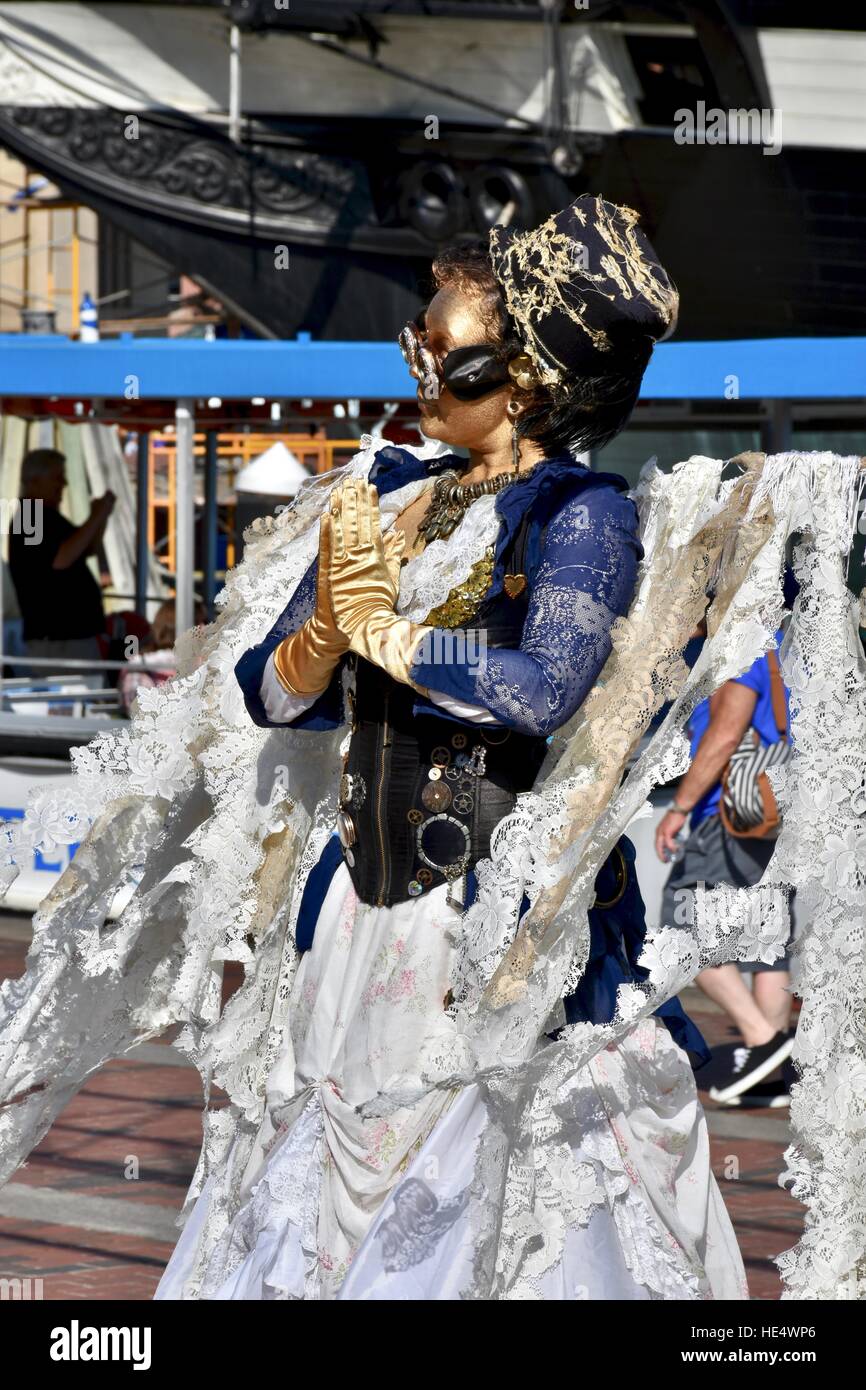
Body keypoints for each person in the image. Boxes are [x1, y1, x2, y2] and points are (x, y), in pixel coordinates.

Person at [152, 195, 747, 1300]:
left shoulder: (580, 514)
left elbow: (542, 690)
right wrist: (323, 638)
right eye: (417, 338)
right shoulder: (382, 498)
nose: (419, 361)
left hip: (488, 915)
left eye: (442, 344)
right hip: (354, 911)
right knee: (319, 1159)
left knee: (487, 1190)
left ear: (518, 379)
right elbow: (264, 696)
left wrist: (389, 637)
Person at [656, 627, 794, 1105]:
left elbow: (725, 731)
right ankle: (771, 1072)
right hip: (773, 808)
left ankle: (763, 1039)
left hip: (733, 810)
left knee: (685, 930)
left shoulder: (740, 644)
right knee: (765, 939)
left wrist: (679, 808)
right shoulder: (775, 643)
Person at [8, 447, 114, 681]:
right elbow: (60, 559)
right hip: (59, 644)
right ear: (34, 482)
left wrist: (100, 517)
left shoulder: (48, 518)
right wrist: (96, 516)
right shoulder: (29, 518)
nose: (64, 484)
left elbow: (84, 548)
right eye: (57, 477)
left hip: (72, 640)